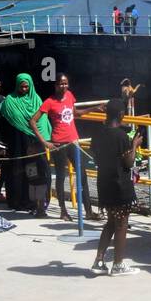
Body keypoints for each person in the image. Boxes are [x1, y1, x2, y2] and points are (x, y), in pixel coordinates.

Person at [89, 98, 142, 274]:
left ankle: (99, 261)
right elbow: (128, 163)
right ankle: (118, 264)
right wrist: (134, 145)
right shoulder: (121, 136)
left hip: (104, 183)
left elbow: (95, 157)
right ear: (121, 114)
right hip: (120, 186)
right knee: (121, 225)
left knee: (110, 223)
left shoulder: (97, 134)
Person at [42, 74, 101, 222]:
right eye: (61, 84)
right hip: (59, 144)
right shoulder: (49, 102)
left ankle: (88, 211)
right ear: (55, 85)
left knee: (82, 174)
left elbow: (75, 114)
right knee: (61, 177)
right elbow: (33, 120)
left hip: (73, 141)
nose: (64, 86)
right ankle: (63, 211)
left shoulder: (69, 96)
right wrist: (45, 142)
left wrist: (94, 108)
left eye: (66, 83)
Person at [1, 73, 53, 215]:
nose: (24, 89)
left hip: (36, 144)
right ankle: (19, 201)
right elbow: (6, 124)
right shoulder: (10, 101)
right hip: (18, 144)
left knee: (38, 173)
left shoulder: (37, 100)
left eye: (26, 87)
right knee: (19, 172)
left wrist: (43, 140)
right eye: (21, 86)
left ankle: (38, 204)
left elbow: (42, 122)